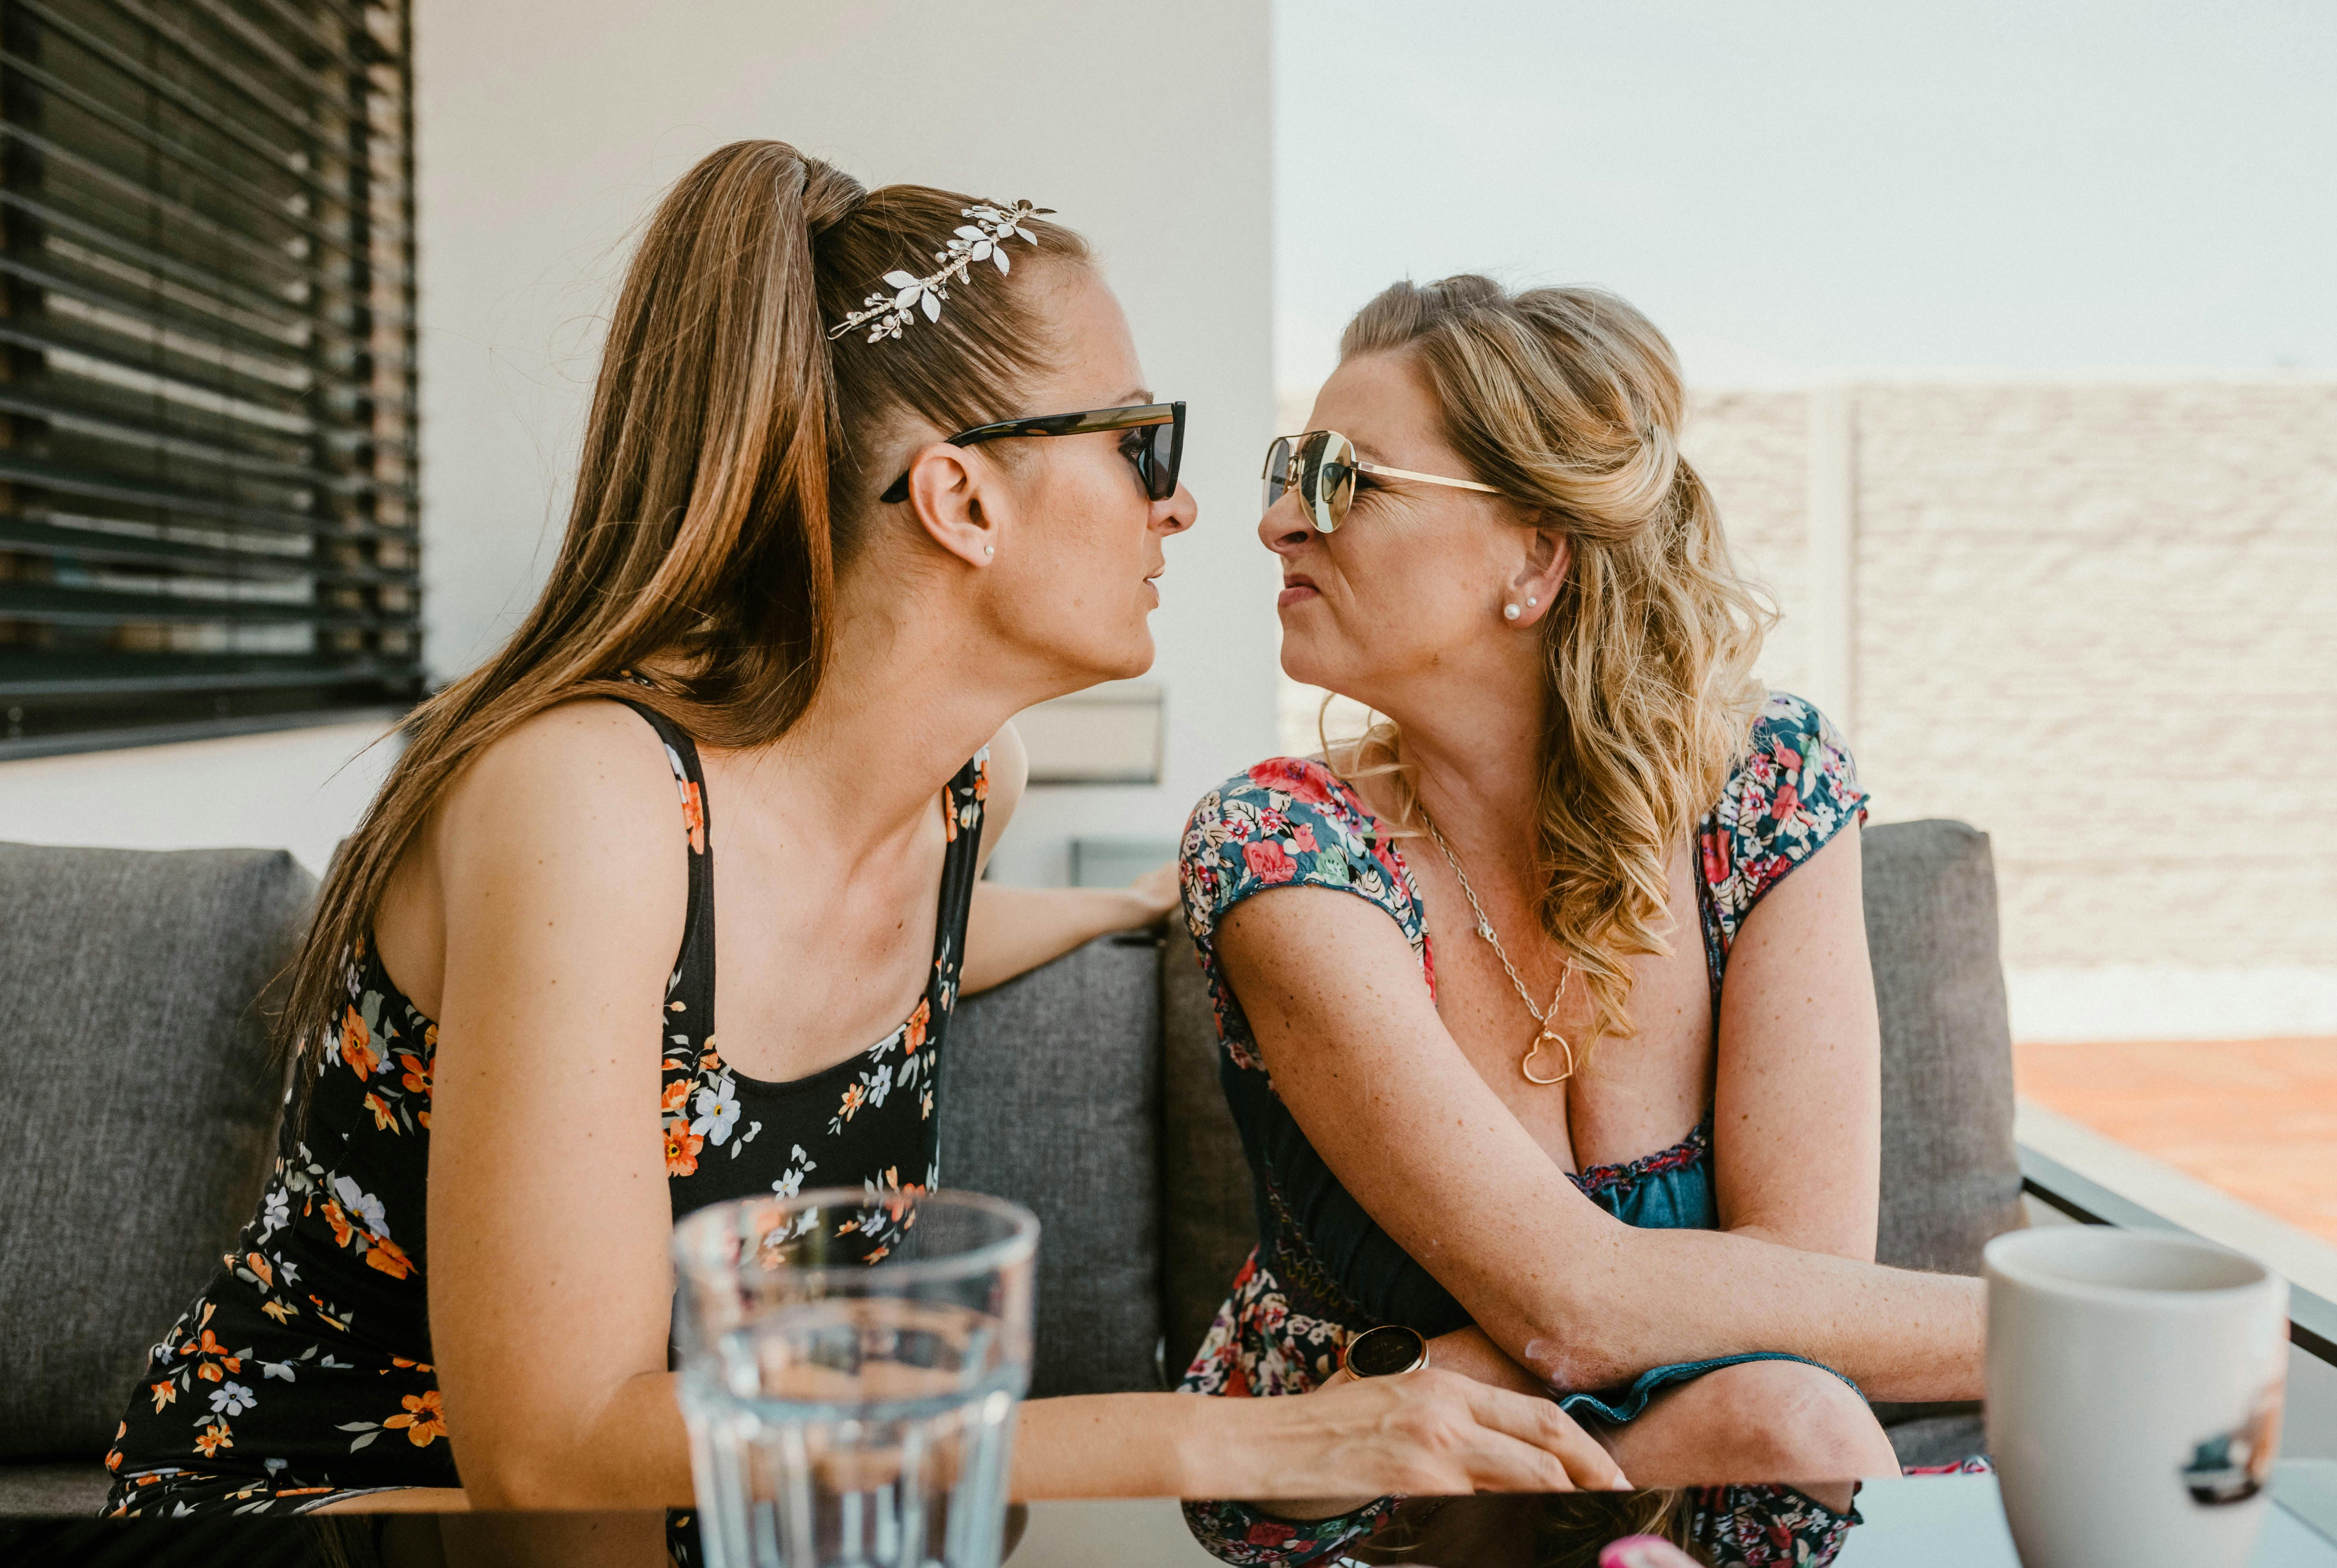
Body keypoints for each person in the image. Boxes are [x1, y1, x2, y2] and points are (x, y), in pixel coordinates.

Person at [100, 146, 1621, 1558]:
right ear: (962, 498)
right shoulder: (587, 805)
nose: (1184, 501)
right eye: (1141, 442)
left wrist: (1134, 903)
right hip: (340, 1520)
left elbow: (839, 957)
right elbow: (551, 1446)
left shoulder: (964, 796)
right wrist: (1264, 1437)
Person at [1174, 275, 1990, 1559]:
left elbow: (1809, 1283)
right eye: (1292, 469)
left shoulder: (1769, 788)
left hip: (1706, 1431)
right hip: (1378, 1489)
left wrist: (1481, 1349)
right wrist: (2060, 1331)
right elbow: (1584, 1308)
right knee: (1793, 1410)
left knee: (1794, 1413)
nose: (1278, 519)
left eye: (1344, 479)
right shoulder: (1281, 845)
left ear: (1536, 557)